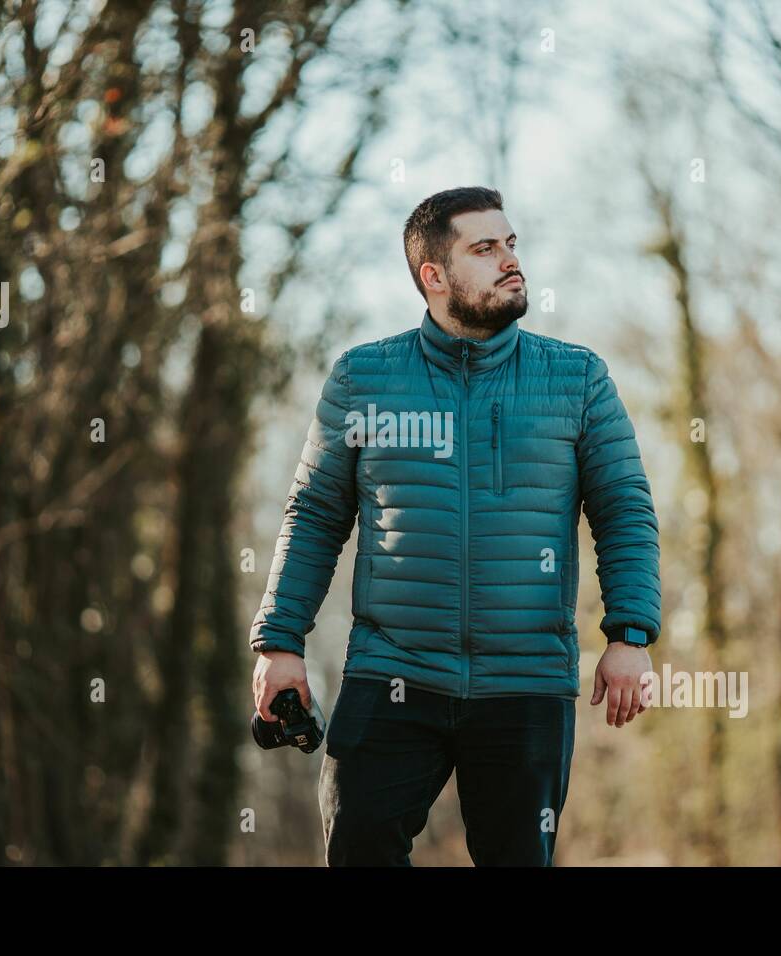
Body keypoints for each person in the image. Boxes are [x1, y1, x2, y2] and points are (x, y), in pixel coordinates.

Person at [249, 186, 661, 866]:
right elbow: (316, 515)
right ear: (433, 277)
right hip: (392, 673)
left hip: (525, 685)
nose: (510, 261)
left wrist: (630, 633)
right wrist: (279, 642)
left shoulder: (578, 379)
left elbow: (624, 509)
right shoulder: (364, 379)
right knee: (359, 850)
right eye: (485, 248)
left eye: (511, 244)